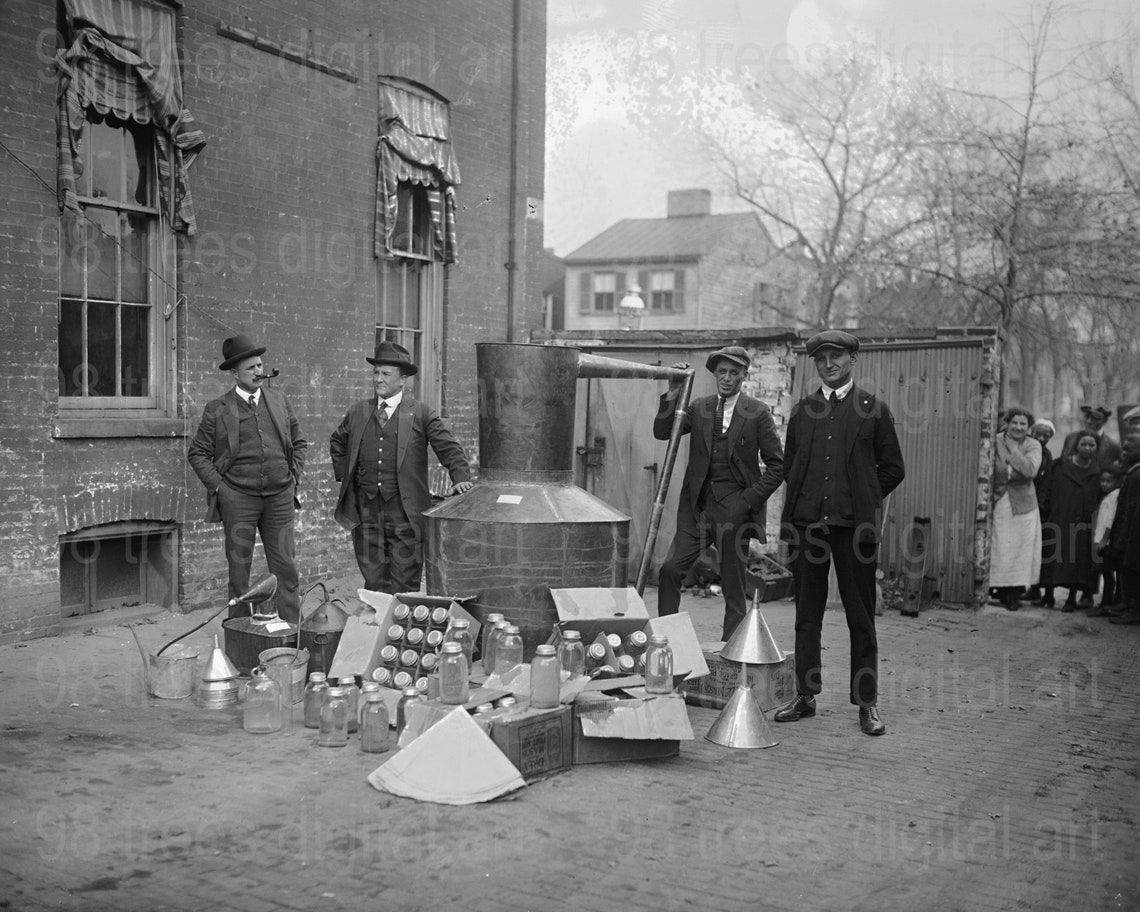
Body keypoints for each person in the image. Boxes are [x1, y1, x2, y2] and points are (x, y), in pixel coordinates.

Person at [772, 330, 905, 737]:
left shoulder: (873, 410)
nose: (829, 364)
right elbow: (792, 469)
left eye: (837, 357)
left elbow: (893, 468)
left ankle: (867, 703)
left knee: (860, 617)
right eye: (822, 359)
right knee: (806, 616)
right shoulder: (802, 411)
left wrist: (862, 497)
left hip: (854, 530)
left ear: (852, 359)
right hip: (809, 527)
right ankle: (805, 696)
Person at [652, 345, 784, 640]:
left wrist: (747, 501)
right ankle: (667, 642)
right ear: (714, 374)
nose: (727, 378)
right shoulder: (699, 407)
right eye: (721, 372)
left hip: (735, 513)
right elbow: (662, 432)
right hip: (697, 510)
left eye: (734, 373)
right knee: (671, 570)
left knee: (734, 588)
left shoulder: (758, 413)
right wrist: (672, 393)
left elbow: (778, 467)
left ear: (744, 376)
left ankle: (730, 654)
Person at [330, 340, 473, 594]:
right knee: (374, 581)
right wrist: (348, 476)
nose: (378, 379)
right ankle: (378, 628)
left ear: (403, 379)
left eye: (386, 374)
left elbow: (450, 449)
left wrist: (459, 476)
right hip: (367, 512)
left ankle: (401, 631)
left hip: (406, 514)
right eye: (375, 373)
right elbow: (338, 441)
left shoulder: (420, 413)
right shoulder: (359, 412)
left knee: (405, 583)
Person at [188, 335, 307, 623]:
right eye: (251, 367)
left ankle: (292, 632)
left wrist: (293, 477)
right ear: (234, 373)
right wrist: (222, 489)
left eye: (260, 365)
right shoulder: (217, 409)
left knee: (286, 570)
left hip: (279, 498)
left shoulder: (279, 400)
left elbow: (299, 442)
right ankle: (240, 637)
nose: (258, 372)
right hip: (238, 500)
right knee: (239, 575)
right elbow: (198, 454)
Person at [1039, 432, 1101, 612]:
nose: (1087, 448)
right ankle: (1048, 594)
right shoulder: (1060, 466)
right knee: (1053, 554)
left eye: (1092, 445)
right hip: (1059, 517)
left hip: (1082, 523)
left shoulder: (1096, 472)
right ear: (1076, 445)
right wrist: (1045, 510)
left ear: (1096, 448)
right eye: (1084, 444)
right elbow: (1047, 488)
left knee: (1078, 560)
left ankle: (1071, 599)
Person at [988, 407, 1042, 612]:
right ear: (1007, 423)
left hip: (1024, 504)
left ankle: (1014, 594)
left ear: (1028, 427)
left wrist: (1013, 449)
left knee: (1020, 549)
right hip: (1001, 499)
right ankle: (1000, 590)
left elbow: (1030, 470)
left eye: (1023, 424)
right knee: (1001, 545)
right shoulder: (995, 440)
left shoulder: (1033, 444)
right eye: (1015, 423)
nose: (1018, 427)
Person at [1106, 435, 1140, 626]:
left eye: (1129, 450)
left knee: (1133, 571)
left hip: (1134, 535)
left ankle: (1134, 610)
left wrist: (1122, 539)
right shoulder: (1132, 473)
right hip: (1129, 534)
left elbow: (1131, 510)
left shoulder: (1137, 475)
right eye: (1123, 449)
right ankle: (1128, 605)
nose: (1124, 454)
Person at [1025, 419, 1056, 603]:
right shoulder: (1027, 447)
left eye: (1046, 435)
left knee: (1041, 549)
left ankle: (1040, 591)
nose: (1042, 438)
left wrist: (1042, 504)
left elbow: (1046, 482)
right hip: (1025, 500)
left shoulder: (1047, 455)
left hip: (1039, 505)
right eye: (1039, 434)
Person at [1089, 468, 1121, 617]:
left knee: (1107, 575)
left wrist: (1104, 539)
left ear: (1116, 482)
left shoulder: (1115, 496)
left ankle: (1106, 604)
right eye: (1102, 481)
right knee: (1103, 572)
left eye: (1108, 481)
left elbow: (1110, 520)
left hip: (1105, 542)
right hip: (1100, 540)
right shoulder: (1107, 496)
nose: (1104, 484)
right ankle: (1105, 603)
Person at [1061, 405, 1121, 473]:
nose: (1089, 421)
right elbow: (1062, 462)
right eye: (1087, 417)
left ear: (1104, 421)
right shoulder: (1071, 438)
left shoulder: (1113, 446)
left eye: (1094, 418)